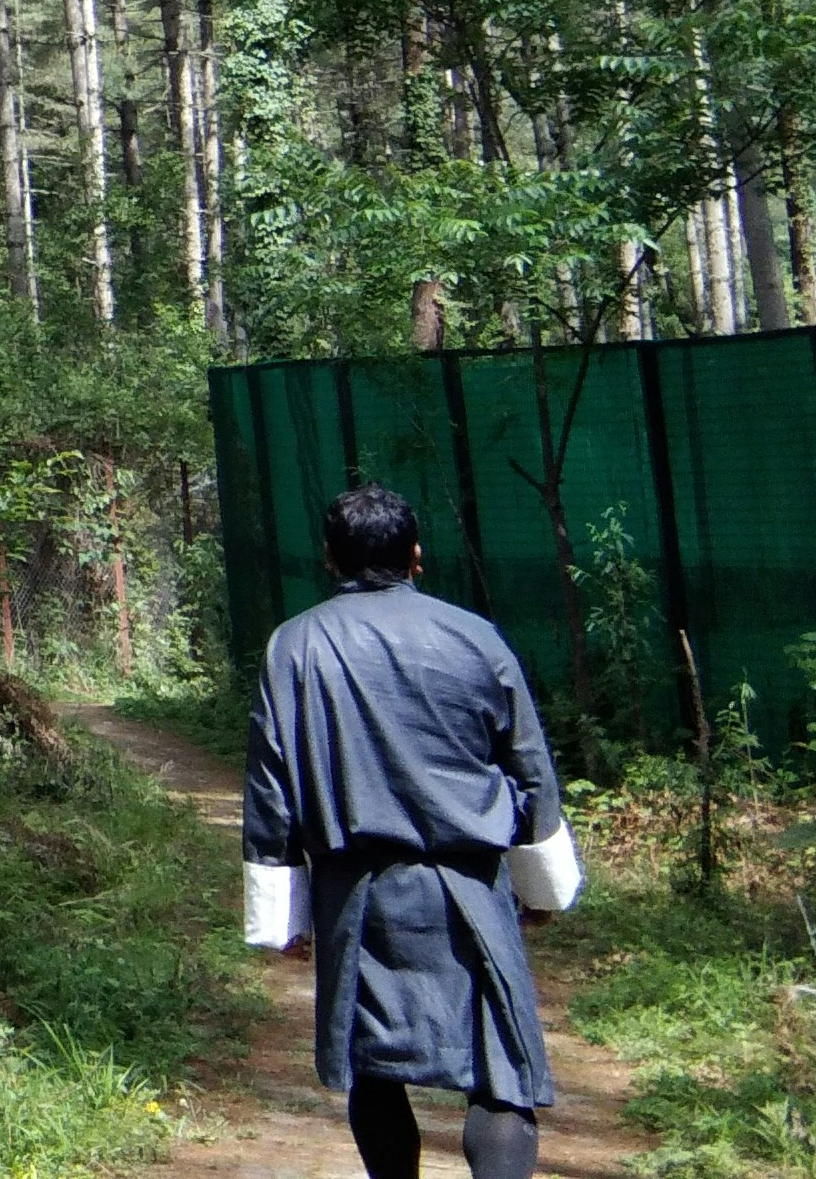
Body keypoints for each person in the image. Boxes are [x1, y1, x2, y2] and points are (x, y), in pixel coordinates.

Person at [243, 482, 586, 1179]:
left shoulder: (293, 647)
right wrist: (540, 888)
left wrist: (286, 916)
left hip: (356, 894)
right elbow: (530, 770)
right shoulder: (474, 638)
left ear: (331, 556)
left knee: (374, 1068)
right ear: (416, 556)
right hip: (470, 889)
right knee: (501, 1072)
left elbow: (270, 789)